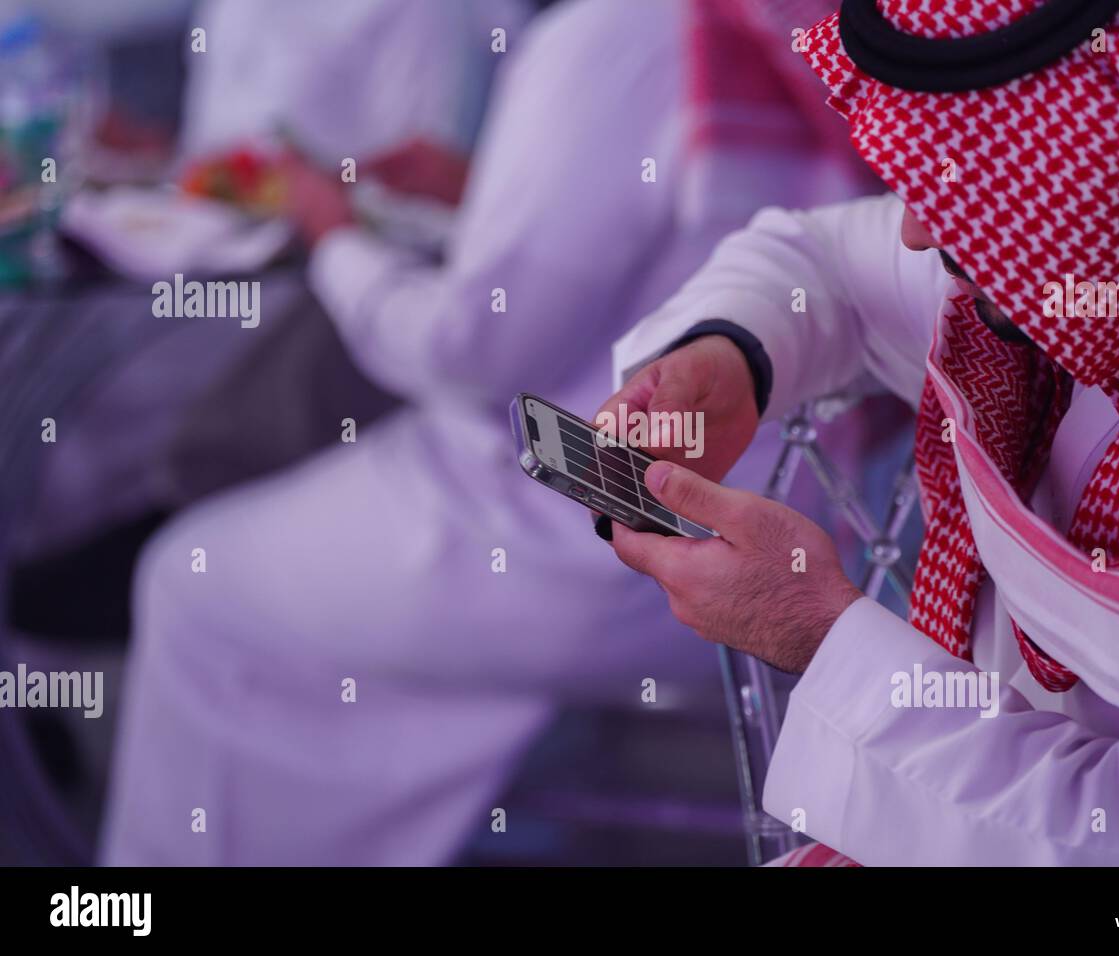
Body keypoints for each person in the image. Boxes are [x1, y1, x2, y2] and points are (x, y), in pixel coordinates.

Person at [102, 0, 874, 865]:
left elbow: (474, 354)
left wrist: (335, 238)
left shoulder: (611, 36)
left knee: (189, 583)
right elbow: (711, 235)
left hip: (592, 540)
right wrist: (487, 191)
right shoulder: (774, 23)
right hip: (796, 529)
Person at [599, 0, 1119, 865]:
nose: (919, 228)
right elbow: (814, 259)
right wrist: (731, 358)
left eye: (974, 174)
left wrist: (825, 640)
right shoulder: (1087, 258)